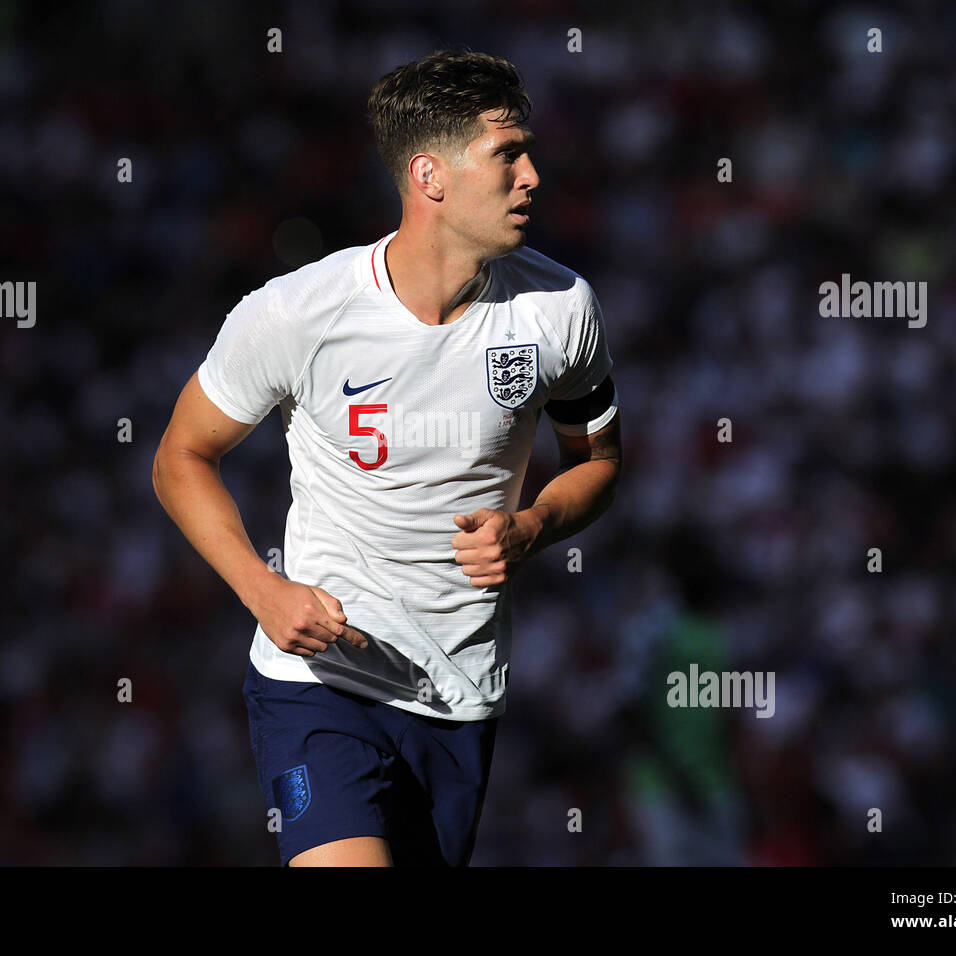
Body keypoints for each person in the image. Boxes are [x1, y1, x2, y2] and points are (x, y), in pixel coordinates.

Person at [152, 48, 622, 866]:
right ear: (429, 176)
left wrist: (534, 524)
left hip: (460, 694)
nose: (533, 176)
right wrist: (264, 591)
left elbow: (600, 461)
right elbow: (181, 456)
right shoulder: (298, 312)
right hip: (320, 685)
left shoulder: (558, 309)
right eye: (507, 155)